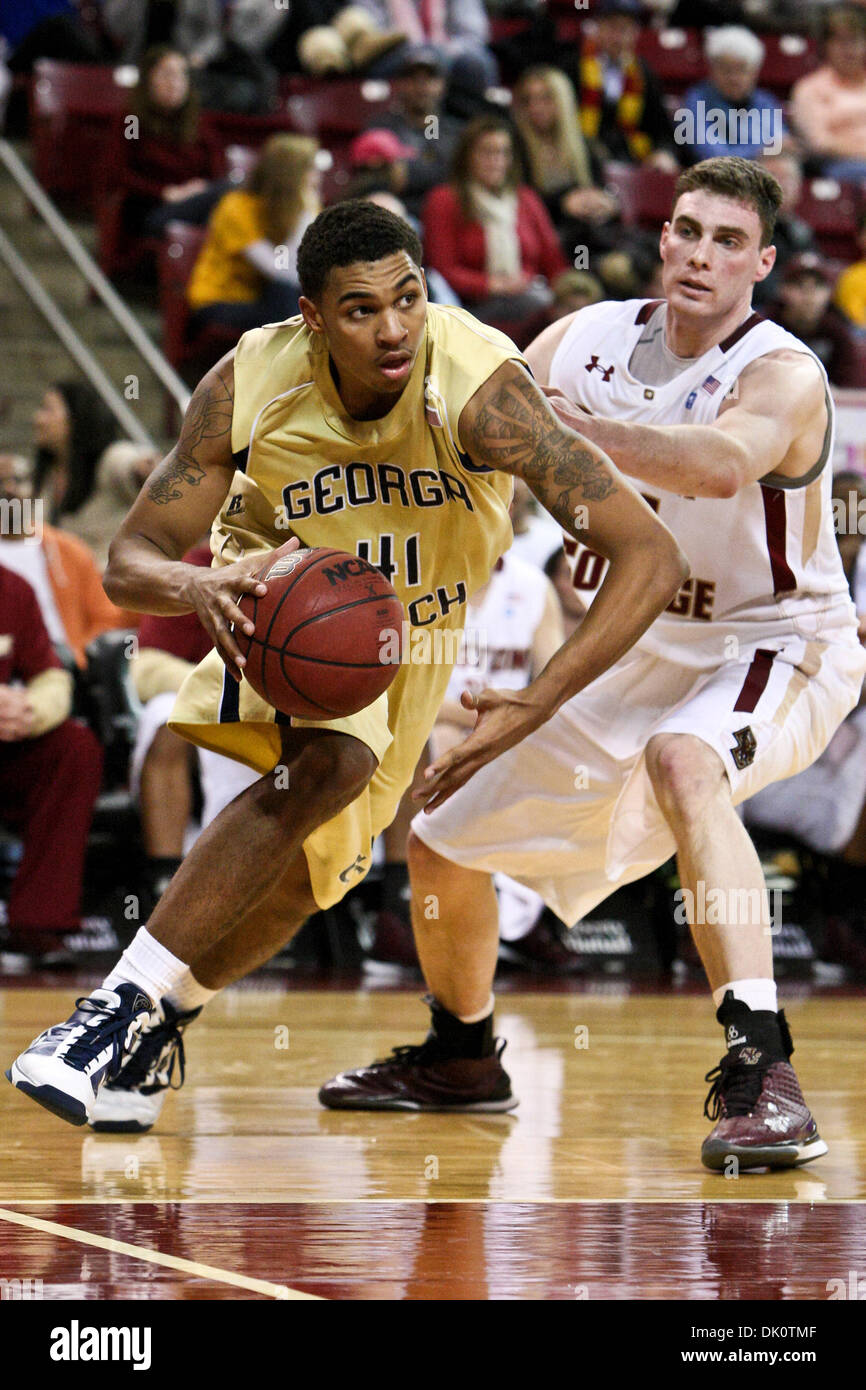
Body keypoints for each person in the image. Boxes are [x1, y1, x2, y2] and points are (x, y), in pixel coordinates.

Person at [5, 200, 686, 1130]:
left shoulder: (481, 392)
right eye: (361, 309)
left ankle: (162, 1019)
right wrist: (194, 585)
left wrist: (536, 700)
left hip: (416, 640)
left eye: (407, 297)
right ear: (313, 317)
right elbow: (132, 559)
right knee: (326, 761)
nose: (394, 326)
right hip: (277, 601)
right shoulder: (253, 378)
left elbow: (650, 555)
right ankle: (110, 1008)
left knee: (313, 873)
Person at [318, 157, 866, 1173]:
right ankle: (461, 1054)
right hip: (634, 642)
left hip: (774, 640)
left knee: (683, 761)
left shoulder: (781, 373)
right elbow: (471, 437)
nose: (700, 254)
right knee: (441, 830)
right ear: (660, 238)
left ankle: (765, 1073)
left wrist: (549, 428)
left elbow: (714, 463)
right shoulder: (580, 339)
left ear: (763, 262)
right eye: (686, 231)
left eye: (727, 242)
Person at [0, 563, 103, 963]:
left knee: (73, 748)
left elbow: (50, 677)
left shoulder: (12, 589)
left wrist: (28, 712)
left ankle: (38, 923)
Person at [422, 116, 568, 328]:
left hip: (528, 292)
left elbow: (553, 260)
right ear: (467, 157)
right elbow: (441, 271)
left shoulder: (526, 199)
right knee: (542, 306)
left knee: (572, 305)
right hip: (470, 307)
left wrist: (570, 292)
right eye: (486, 152)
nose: (495, 161)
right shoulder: (444, 200)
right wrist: (493, 285)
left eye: (502, 153)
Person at [186, 134, 321, 336]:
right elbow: (282, 272)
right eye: (311, 170)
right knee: (290, 301)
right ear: (291, 175)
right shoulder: (236, 207)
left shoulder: (298, 209)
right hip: (220, 301)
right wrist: (306, 214)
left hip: (266, 299)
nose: (318, 178)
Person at [0, 453, 128, 666]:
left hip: (65, 666)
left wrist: (81, 659)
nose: (10, 490)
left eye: (19, 480)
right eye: (1, 482)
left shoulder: (69, 550)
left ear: (34, 489)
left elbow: (106, 619)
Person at [114, 46, 227, 239]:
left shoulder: (198, 122)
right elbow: (121, 172)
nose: (174, 83)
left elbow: (217, 171)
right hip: (152, 208)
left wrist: (198, 188)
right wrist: (165, 193)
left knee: (230, 193)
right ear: (148, 79)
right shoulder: (132, 121)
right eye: (167, 75)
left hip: (196, 204)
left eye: (181, 76)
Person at [511, 65, 621, 258]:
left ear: (562, 101)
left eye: (546, 98)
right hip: (547, 238)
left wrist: (606, 202)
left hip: (589, 234)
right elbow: (518, 202)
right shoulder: (516, 147)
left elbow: (598, 188)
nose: (535, 107)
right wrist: (563, 202)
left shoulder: (585, 145)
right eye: (528, 100)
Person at [558, 0, 679, 172]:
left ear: (635, 33)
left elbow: (662, 129)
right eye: (612, 28)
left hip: (632, 160)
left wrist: (664, 153)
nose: (618, 37)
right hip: (581, 160)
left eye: (625, 29)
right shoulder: (572, 66)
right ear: (598, 28)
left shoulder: (644, 74)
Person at [376, 46, 465, 221]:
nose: (421, 85)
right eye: (413, 78)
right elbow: (377, 177)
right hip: (395, 215)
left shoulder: (445, 128)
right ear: (400, 83)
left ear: (442, 85)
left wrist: (405, 171)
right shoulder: (383, 125)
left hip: (442, 215)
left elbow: (445, 172)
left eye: (429, 78)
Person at [681, 27, 785, 164]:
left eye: (742, 70)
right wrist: (761, 151)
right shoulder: (695, 100)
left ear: (755, 72)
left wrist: (771, 151)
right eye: (726, 70)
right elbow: (713, 155)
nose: (734, 78)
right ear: (711, 69)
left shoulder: (765, 101)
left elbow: (782, 145)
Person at [791, 4, 866, 183]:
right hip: (839, 167)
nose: (849, 49)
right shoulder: (809, 88)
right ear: (825, 46)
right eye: (840, 41)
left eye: (855, 40)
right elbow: (819, 144)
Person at [762, 253, 855, 389]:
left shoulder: (839, 332)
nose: (809, 294)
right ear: (783, 290)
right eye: (799, 285)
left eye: (817, 285)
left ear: (830, 292)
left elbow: (850, 386)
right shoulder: (765, 329)